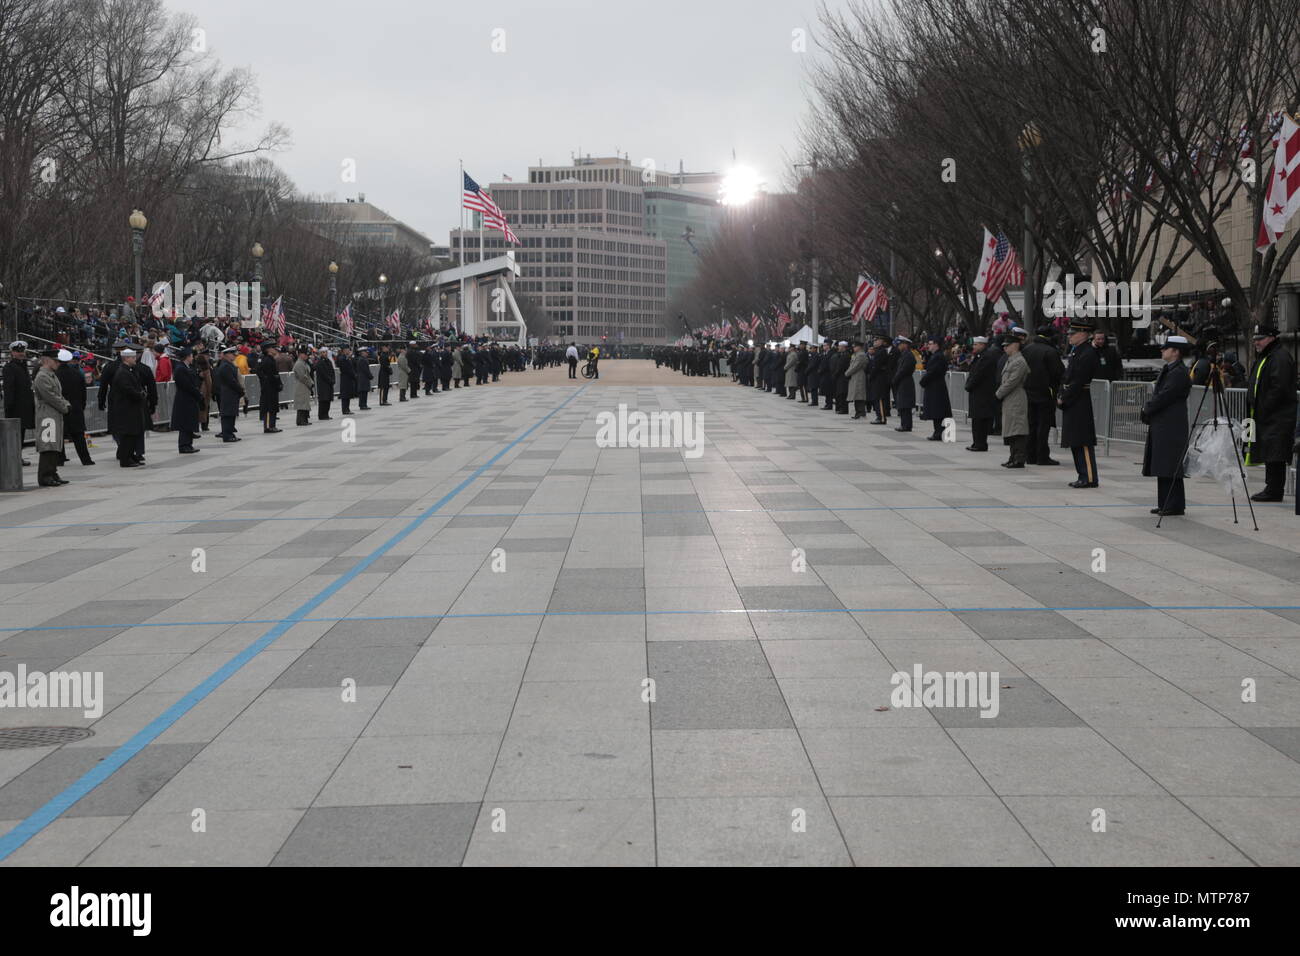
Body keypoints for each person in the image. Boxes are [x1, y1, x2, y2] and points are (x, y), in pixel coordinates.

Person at [1244, 323, 1299, 502]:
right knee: (1271, 452)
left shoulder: (1279, 357)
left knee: (1276, 453)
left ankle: (1274, 490)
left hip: (1277, 416)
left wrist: (1264, 407)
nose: (1256, 343)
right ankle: (1271, 487)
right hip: (1268, 415)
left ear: (1272, 338)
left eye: (1260, 339)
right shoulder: (1267, 356)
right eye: (1254, 340)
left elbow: (1279, 388)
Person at [1141, 335, 1193, 515]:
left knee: (1170, 465)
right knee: (1164, 465)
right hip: (1164, 423)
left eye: (1166, 348)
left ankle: (1173, 504)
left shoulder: (1178, 372)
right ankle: (1165, 502)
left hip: (1171, 424)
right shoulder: (1171, 369)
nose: (1162, 350)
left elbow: (1165, 395)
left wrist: (1147, 408)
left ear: (1176, 352)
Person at [1059, 319, 1100, 488]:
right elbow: (1068, 377)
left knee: (1083, 441)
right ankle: (1082, 474)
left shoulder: (1088, 353)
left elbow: (1079, 380)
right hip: (1073, 400)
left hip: (1079, 400)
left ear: (1083, 334)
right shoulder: (1077, 351)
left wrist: (1065, 396)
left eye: (1073, 334)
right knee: (1075, 440)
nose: (1070, 337)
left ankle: (1089, 476)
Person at [32, 349, 70, 486]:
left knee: (54, 444)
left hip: (54, 413)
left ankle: (52, 472)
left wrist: (65, 403)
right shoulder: (42, 376)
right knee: (48, 445)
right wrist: (64, 406)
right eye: (56, 361)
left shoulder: (51, 375)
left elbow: (58, 394)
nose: (58, 363)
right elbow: (50, 396)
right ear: (47, 360)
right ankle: (45, 475)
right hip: (47, 414)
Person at [995, 328, 1030, 468]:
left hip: (1016, 397)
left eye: (1007, 345)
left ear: (1015, 345)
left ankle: (1019, 458)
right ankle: (1012, 456)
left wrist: (998, 393)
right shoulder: (1011, 360)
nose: (1005, 348)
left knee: (1017, 429)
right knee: (1011, 429)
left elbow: (1012, 382)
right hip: (1009, 398)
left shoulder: (1019, 361)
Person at [107, 348, 146, 466]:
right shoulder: (122, 372)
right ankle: (125, 458)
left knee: (133, 433)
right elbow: (127, 389)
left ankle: (130, 455)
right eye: (133, 357)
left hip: (131, 408)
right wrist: (139, 395)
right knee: (128, 434)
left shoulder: (129, 370)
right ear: (126, 358)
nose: (135, 359)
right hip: (126, 409)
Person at [54, 348, 93, 465]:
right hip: (76, 407)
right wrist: (82, 405)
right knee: (79, 436)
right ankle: (86, 459)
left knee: (60, 435)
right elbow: (83, 392)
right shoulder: (77, 373)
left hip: (60, 408)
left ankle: (60, 459)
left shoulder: (55, 375)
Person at [3, 341, 36, 467]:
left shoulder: (22, 366)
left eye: (22, 351)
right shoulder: (9, 367)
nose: (21, 354)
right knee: (14, 436)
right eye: (18, 351)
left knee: (20, 435)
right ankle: (14, 458)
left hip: (24, 407)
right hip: (15, 408)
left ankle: (18, 457)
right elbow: (9, 389)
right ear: (12, 353)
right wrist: (9, 408)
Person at [964, 336, 998, 451]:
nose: (974, 347)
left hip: (983, 393)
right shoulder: (980, 356)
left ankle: (980, 443)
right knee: (976, 419)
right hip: (977, 393)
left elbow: (979, 374)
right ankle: (976, 442)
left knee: (980, 419)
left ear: (983, 345)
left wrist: (969, 385)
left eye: (976, 344)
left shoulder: (987, 357)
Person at [919, 336, 952, 440]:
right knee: (936, 410)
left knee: (937, 411)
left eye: (930, 343)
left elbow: (933, 372)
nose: (928, 346)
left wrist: (923, 381)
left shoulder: (938, 356)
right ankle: (937, 432)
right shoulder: (935, 356)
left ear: (936, 345)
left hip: (936, 386)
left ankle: (938, 432)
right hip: (934, 386)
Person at [171, 347, 202, 454]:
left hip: (190, 398)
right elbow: (187, 385)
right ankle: (184, 445)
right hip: (184, 399)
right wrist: (197, 393)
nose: (193, 358)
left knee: (189, 422)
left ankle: (188, 444)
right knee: (185, 423)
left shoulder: (187, 367)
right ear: (187, 357)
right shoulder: (180, 369)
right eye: (191, 356)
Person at [214, 346, 244, 442]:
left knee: (231, 414)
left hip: (231, 393)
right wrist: (240, 390)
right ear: (227, 355)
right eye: (232, 354)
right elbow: (231, 381)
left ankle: (230, 433)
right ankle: (227, 435)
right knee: (227, 415)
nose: (234, 356)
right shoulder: (225, 366)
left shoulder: (228, 364)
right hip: (228, 393)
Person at [891, 336, 917, 431]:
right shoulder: (904, 355)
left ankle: (906, 425)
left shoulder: (908, 356)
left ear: (905, 345)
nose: (898, 346)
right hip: (902, 382)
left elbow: (903, 370)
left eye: (900, 344)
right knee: (902, 404)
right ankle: (904, 424)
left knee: (905, 405)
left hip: (906, 382)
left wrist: (895, 379)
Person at [257, 345, 283, 432]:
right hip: (269, 387)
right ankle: (268, 426)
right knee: (268, 407)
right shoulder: (267, 360)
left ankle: (272, 425)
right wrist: (273, 382)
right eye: (273, 348)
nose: (275, 349)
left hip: (272, 387)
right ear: (268, 350)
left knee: (272, 407)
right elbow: (268, 374)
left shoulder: (270, 359)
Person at [845, 340, 869, 418]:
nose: (853, 348)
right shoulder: (855, 354)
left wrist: (847, 373)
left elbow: (856, 366)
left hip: (859, 376)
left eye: (855, 346)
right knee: (856, 395)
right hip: (854, 376)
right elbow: (851, 365)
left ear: (859, 347)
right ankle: (858, 412)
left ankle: (861, 412)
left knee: (859, 395)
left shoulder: (861, 355)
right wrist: (848, 372)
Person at [292, 345, 314, 425]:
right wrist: (310, 383)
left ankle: (304, 420)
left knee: (304, 403)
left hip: (304, 386)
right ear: (300, 354)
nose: (306, 356)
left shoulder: (303, 363)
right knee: (301, 404)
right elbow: (303, 377)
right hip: (301, 386)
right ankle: (301, 421)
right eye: (305, 354)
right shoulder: (299, 364)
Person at [315, 348, 336, 420]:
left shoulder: (328, 361)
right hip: (323, 384)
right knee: (323, 400)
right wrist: (330, 380)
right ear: (320, 353)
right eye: (323, 352)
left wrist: (333, 380)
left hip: (329, 384)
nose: (325, 354)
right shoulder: (320, 362)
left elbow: (332, 371)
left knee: (328, 400)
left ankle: (326, 414)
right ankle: (322, 415)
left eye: (326, 352)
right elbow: (323, 374)